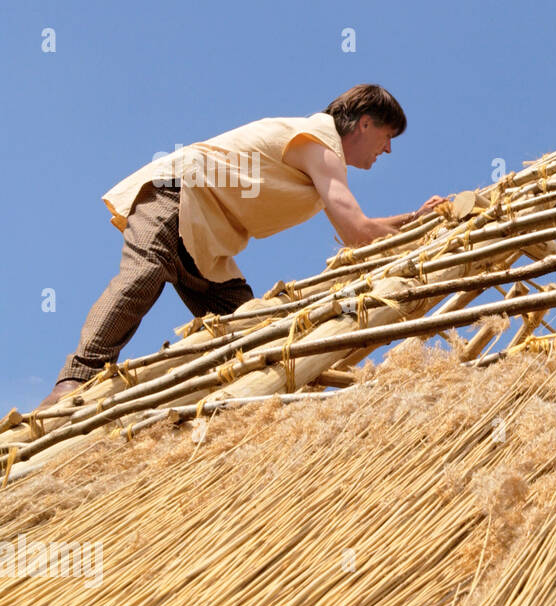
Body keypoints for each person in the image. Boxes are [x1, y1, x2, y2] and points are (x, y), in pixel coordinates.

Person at [37, 84, 444, 409]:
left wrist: (414, 219)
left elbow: (361, 227)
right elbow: (356, 233)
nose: (388, 149)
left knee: (253, 333)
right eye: (388, 137)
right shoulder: (320, 145)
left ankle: (207, 413)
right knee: (144, 274)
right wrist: (419, 231)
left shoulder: (320, 159)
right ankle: (75, 378)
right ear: (365, 124)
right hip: (178, 194)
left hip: (207, 237)